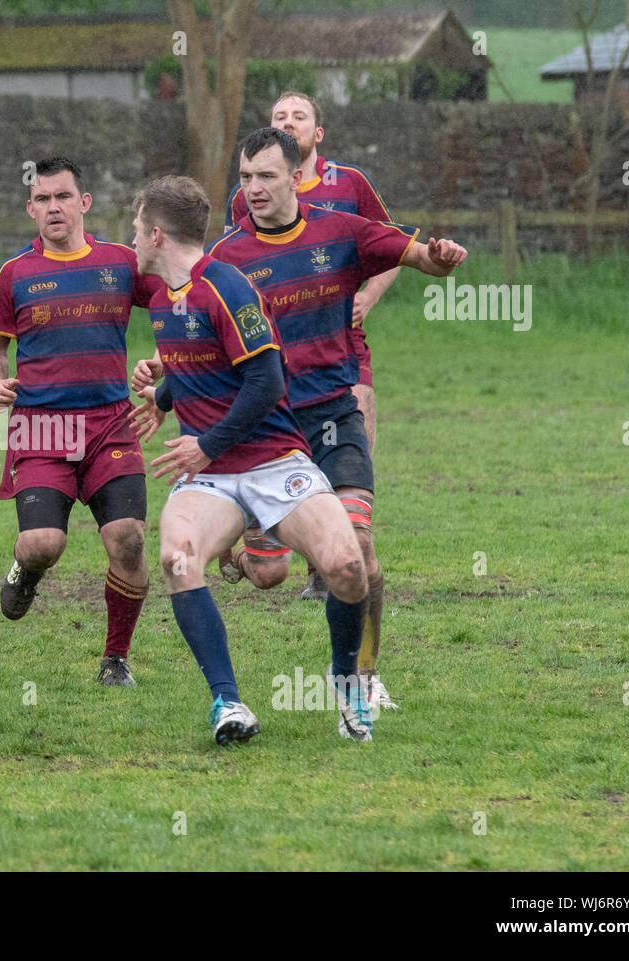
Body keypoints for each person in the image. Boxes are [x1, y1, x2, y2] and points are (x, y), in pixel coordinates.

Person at [139, 127, 467, 715]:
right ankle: (244, 553)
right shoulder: (227, 259)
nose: (254, 188)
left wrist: (440, 259)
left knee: (357, 552)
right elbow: (213, 355)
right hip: (260, 433)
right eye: (245, 178)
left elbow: (419, 257)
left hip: (329, 416)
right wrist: (164, 393)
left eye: (266, 175)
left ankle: (361, 678)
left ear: (297, 175)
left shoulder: (341, 229)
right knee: (268, 575)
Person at [127, 174, 375, 743]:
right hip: (211, 478)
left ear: (158, 234)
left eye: (138, 228)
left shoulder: (226, 286)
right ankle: (228, 704)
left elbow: (266, 380)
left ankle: (347, 686)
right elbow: (205, 362)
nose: (133, 239)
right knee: (178, 559)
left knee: (345, 565)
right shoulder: (166, 296)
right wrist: (164, 398)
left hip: (272, 461)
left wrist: (206, 442)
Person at [0, 157, 158, 686]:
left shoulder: (121, 262)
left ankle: (115, 658)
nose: (52, 207)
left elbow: (176, 303)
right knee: (43, 545)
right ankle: (26, 570)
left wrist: (165, 361)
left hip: (110, 424)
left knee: (128, 538)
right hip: (41, 427)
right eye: (42, 199)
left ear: (84, 203)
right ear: (30, 209)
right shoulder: (15, 274)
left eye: (62, 197)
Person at [226, 92, 397, 599]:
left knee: (353, 431)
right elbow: (232, 278)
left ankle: (333, 560)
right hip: (279, 360)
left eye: (299, 116)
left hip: (343, 343)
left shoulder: (351, 184)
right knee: (265, 574)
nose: (289, 122)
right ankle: (253, 546)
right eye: (279, 115)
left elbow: (388, 245)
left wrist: (367, 294)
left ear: (317, 133)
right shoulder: (252, 195)